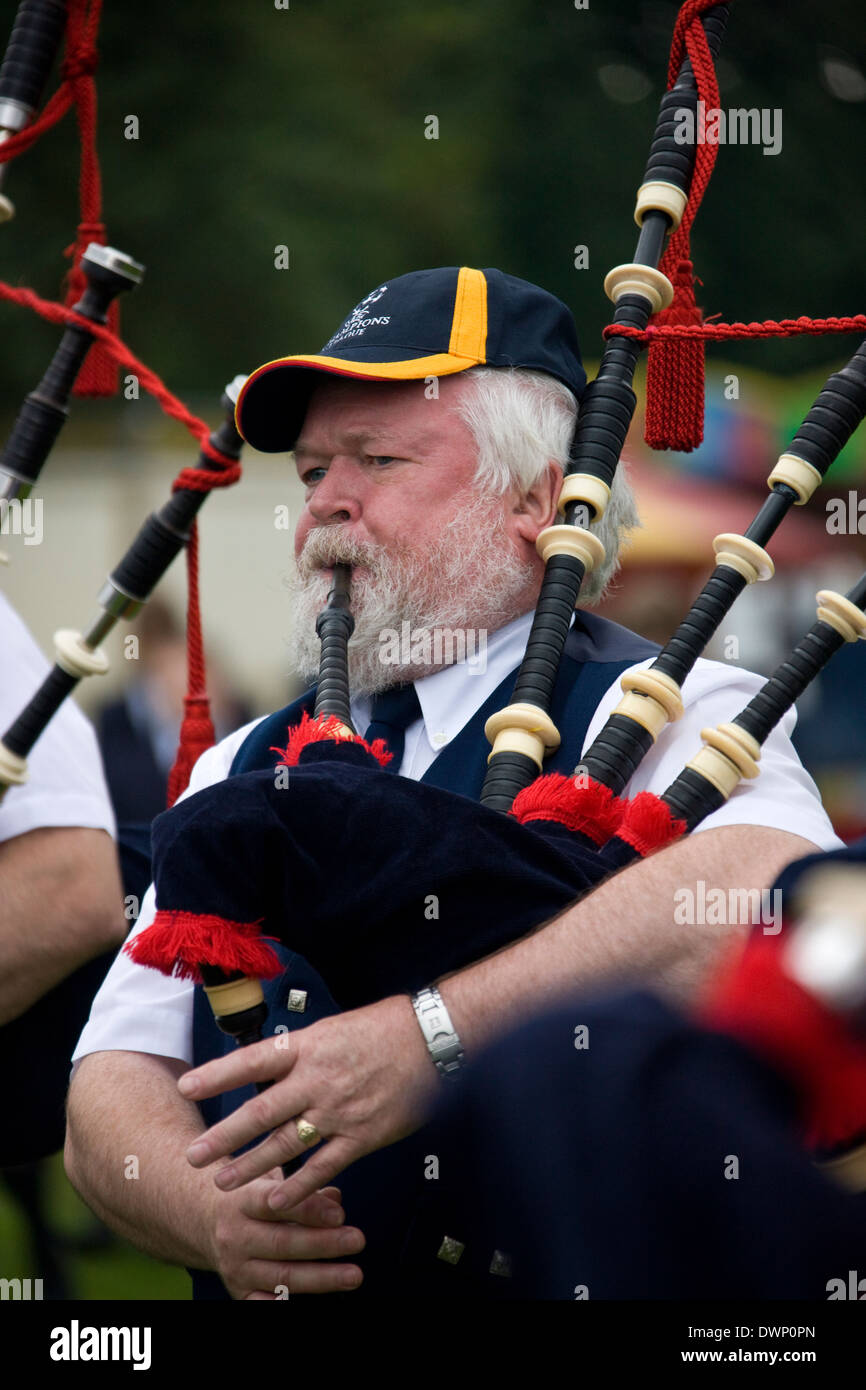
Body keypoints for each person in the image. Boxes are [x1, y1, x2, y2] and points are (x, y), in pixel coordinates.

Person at [65, 266, 842, 1299]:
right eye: (309, 473)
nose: (326, 504)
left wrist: (426, 1039)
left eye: (377, 459)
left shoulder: (675, 713)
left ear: (535, 499)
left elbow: (773, 893)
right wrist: (215, 1218)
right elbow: (109, 1083)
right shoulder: (242, 759)